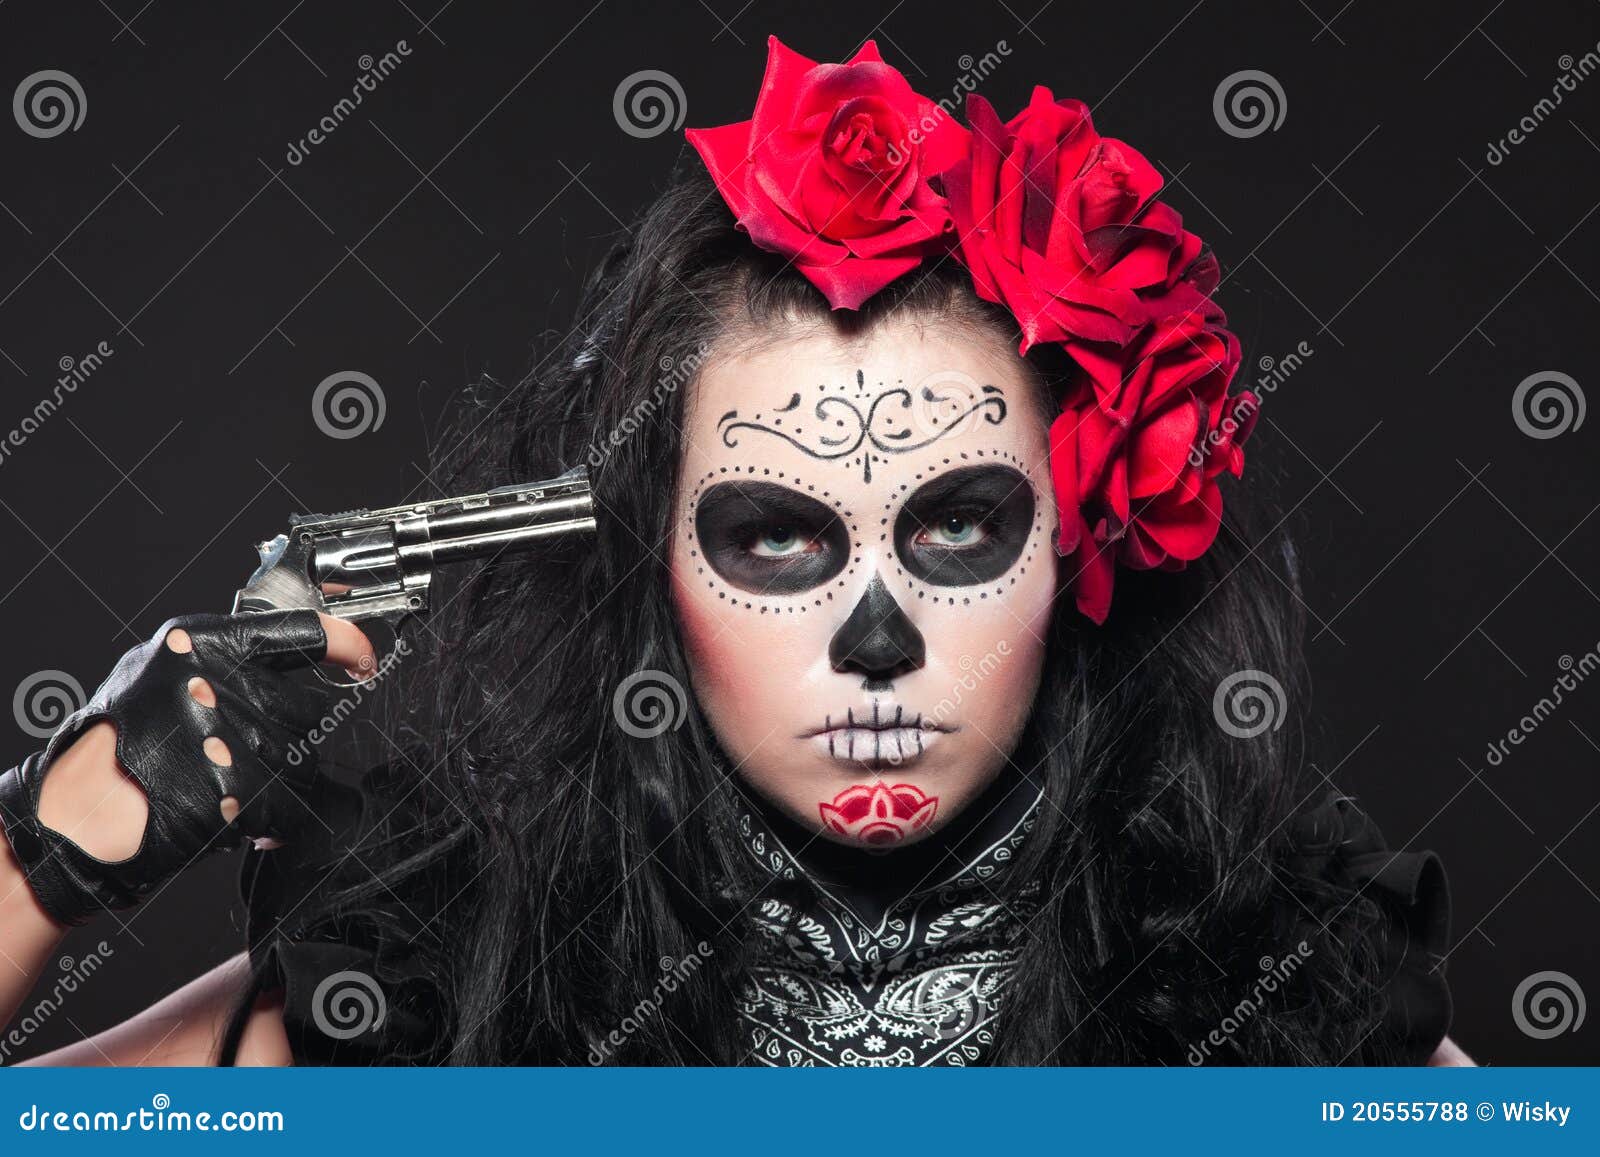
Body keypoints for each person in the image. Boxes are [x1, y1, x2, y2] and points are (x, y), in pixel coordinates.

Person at [0, 37, 1472, 1067]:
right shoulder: (425, 988)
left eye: (960, 523)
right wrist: (53, 852)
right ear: (655, 576)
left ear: (1079, 544)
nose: (878, 637)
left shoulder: (1280, 1004)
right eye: (775, 531)